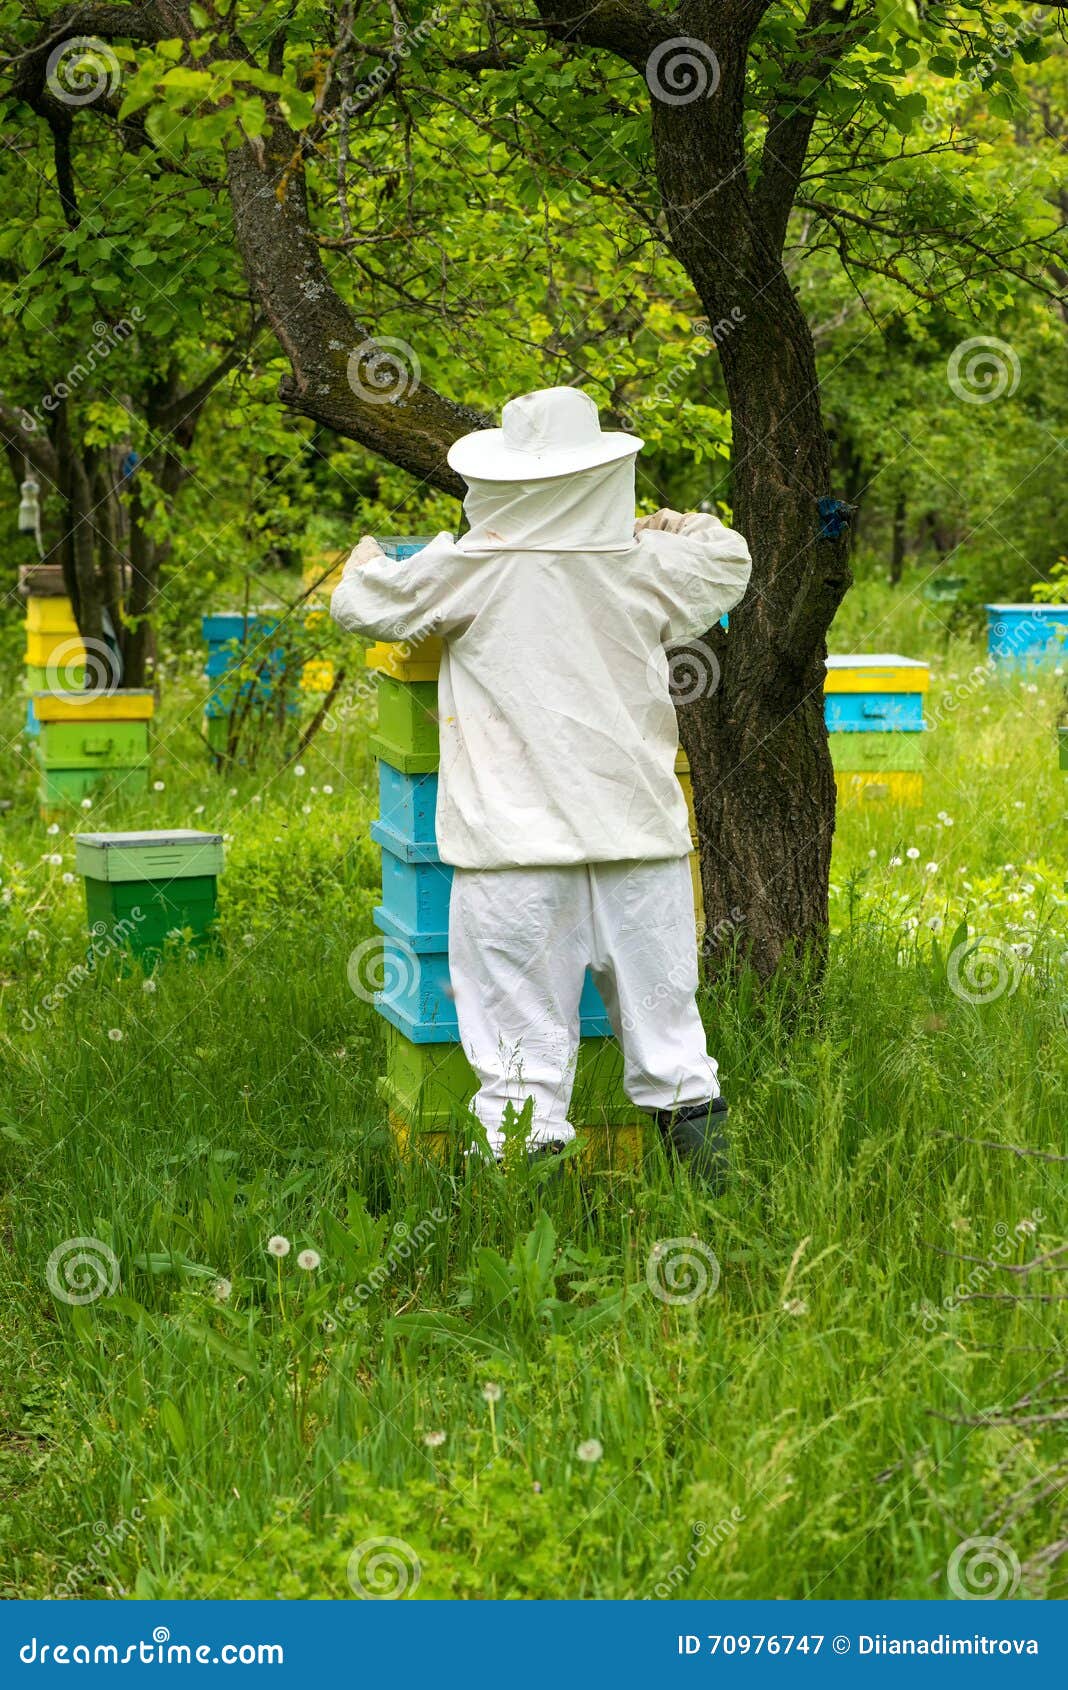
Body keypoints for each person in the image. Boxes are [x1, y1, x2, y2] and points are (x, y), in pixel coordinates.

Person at [331, 386, 752, 1181]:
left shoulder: (465, 569)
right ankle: (726, 1222)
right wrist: (671, 524)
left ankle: (520, 1258)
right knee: (675, 1052)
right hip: (640, 853)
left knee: (520, 1070)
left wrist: (367, 559)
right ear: (599, 474)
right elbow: (728, 557)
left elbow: (361, 604)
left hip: (514, 860)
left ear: (503, 482)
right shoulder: (648, 563)